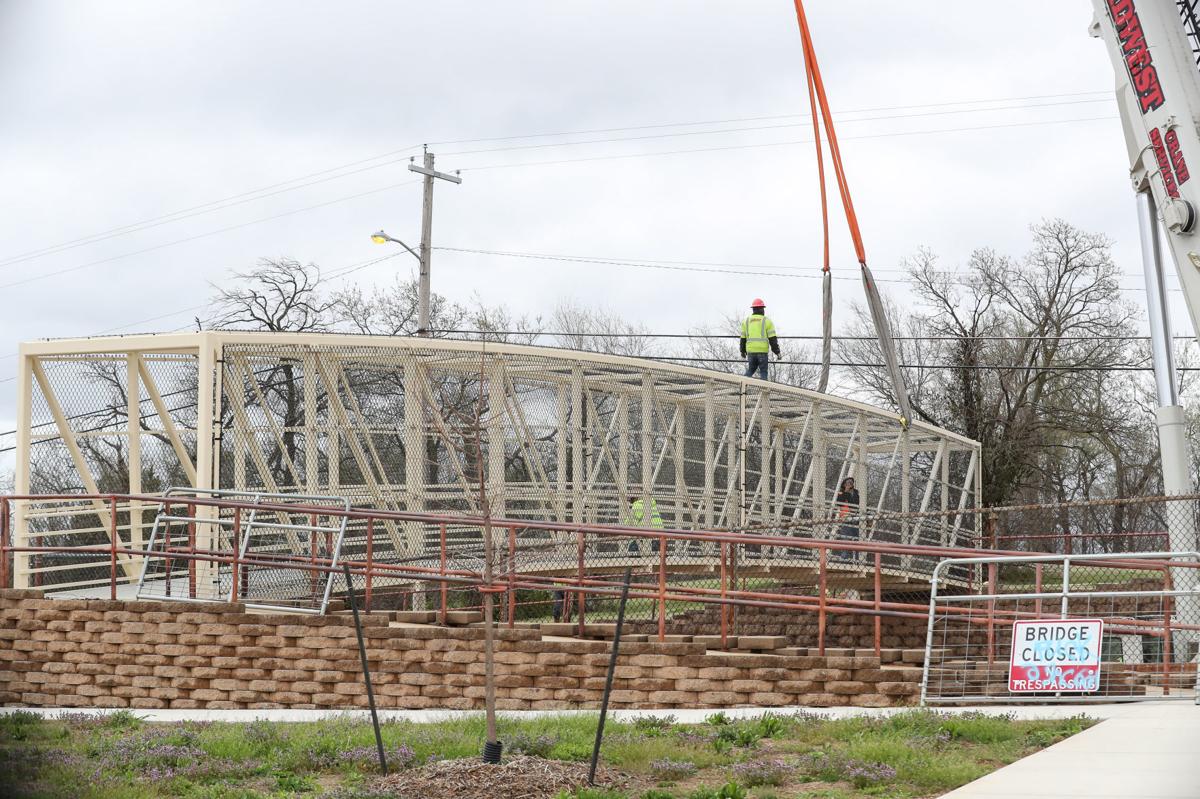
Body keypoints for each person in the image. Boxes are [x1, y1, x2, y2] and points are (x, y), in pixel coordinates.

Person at [740, 298, 781, 380]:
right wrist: (777, 352)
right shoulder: (767, 321)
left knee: (751, 370)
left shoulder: (746, 321)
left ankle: (741, 383)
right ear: (761, 309)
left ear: (753, 309)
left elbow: (743, 338)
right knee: (763, 372)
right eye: (763, 308)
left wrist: (742, 351)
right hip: (762, 351)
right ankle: (763, 388)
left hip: (751, 351)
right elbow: (772, 339)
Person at [834, 477, 860, 563]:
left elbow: (856, 504)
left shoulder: (855, 493)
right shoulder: (842, 492)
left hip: (855, 519)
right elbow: (839, 502)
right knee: (846, 541)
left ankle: (857, 560)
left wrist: (851, 492)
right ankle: (844, 560)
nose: (849, 484)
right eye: (847, 482)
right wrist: (846, 491)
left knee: (856, 541)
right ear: (844, 484)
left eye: (851, 482)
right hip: (845, 519)